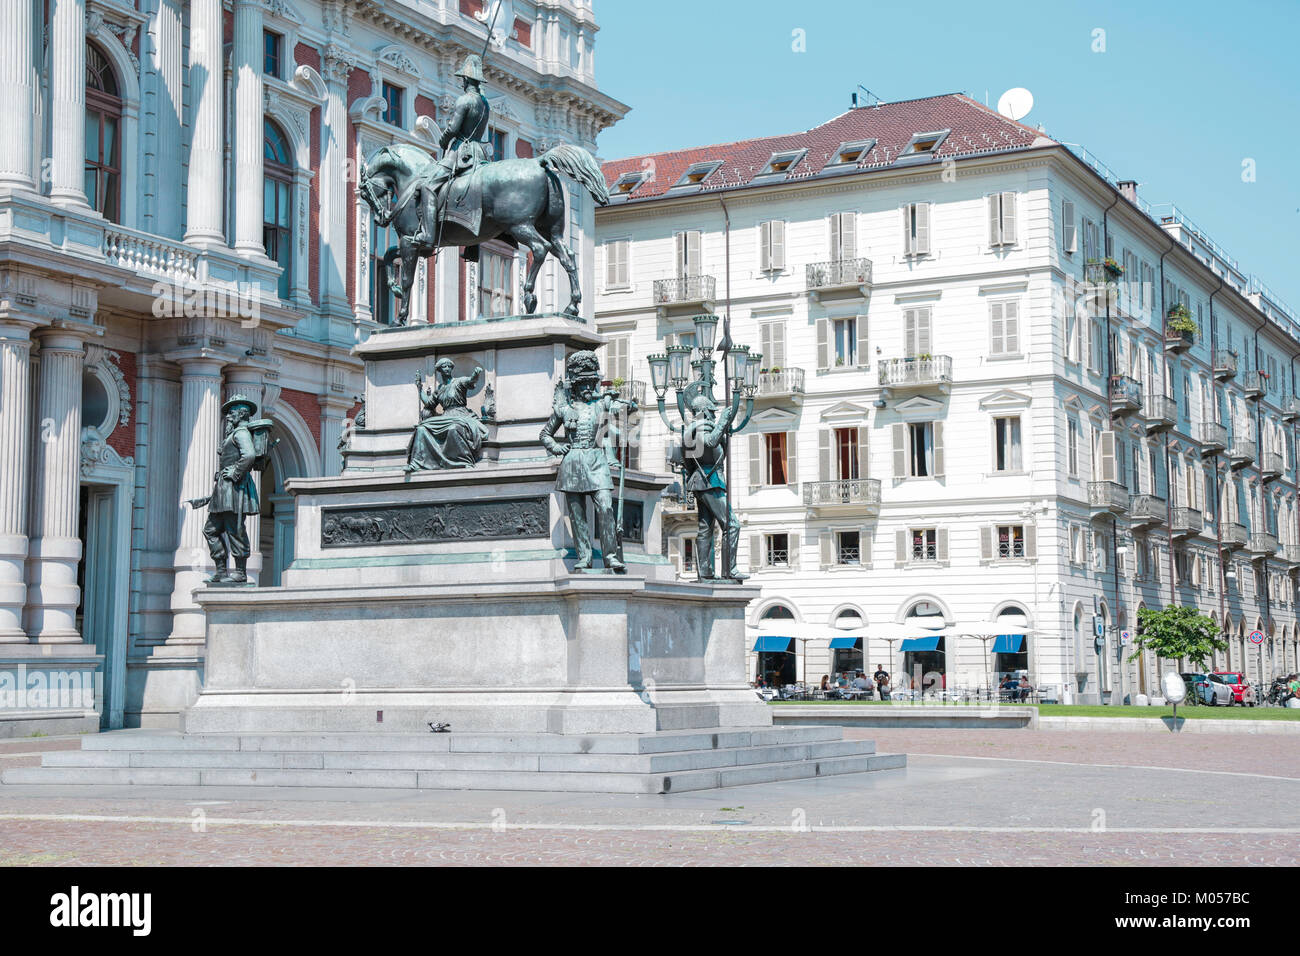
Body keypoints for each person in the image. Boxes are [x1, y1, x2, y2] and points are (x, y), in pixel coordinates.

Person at [540, 351, 637, 573]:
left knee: (605, 506)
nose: (587, 388)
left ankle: (611, 556)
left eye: (590, 383)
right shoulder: (564, 409)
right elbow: (545, 434)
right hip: (573, 462)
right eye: (582, 384)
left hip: (595, 460)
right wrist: (556, 447)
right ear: (574, 386)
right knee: (577, 514)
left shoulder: (601, 404)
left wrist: (627, 405)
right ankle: (584, 557)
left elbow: (621, 409)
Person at [413, 54, 492, 246]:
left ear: (465, 79)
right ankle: (473, 248)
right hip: (479, 153)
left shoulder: (464, 100)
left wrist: (443, 139)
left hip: (461, 152)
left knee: (428, 186)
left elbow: (454, 129)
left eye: (463, 79)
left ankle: (427, 234)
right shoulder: (485, 104)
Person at [187, 395, 261, 584]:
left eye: (232, 412)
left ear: (241, 413)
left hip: (234, 491)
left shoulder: (241, 433)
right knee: (210, 530)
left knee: (235, 529)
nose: (228, 416)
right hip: (224, 490)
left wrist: (235, 472)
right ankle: (221, 570)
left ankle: (241, 573)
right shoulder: (234, 433)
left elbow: (250, 455)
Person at [677, 382, 745, 580]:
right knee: (732, 524)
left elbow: (687, 463)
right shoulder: (701, 428)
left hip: (702, 482)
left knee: (705, 528)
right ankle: (729, 570)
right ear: (704, 412)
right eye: (712, 412)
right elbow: (711, 442)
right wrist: (724, 420)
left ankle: (705, 573)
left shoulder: (691, 431)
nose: (714, 415)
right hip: (710, 481)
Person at [405, 358, 488, 471]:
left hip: (461, 414)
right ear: (439, 370)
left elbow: (470, 381)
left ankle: (463, 461)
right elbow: (429, 403)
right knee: (422, 428)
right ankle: (417, 462)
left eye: (449, 366)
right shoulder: (440, 389)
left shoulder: (459, 382)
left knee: (454, 428)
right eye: (444, 366)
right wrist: (419, 388)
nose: (447, 368)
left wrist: (475, 373)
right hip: (446, 416)